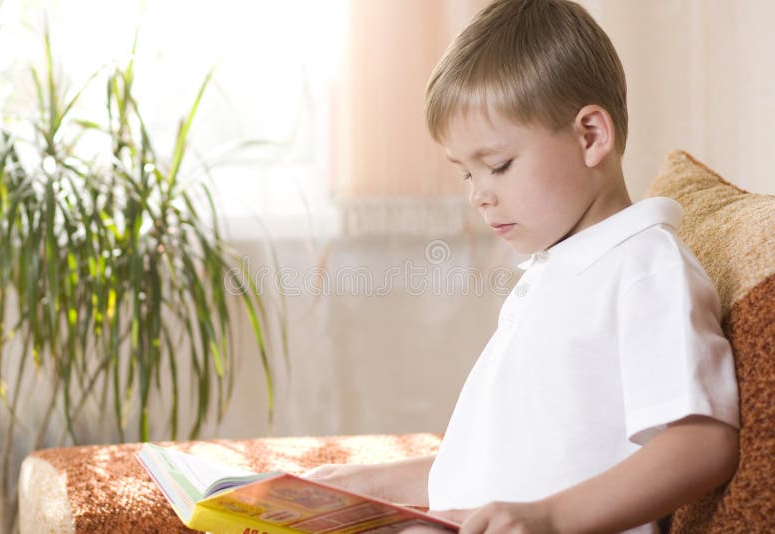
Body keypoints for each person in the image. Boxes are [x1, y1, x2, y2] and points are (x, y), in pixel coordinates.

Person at [304, 1, 740, 532]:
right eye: (467, 175)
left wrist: (550, 518)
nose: (478, 197)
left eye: (498, 166)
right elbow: (508, 464)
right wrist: (369, 485)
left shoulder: (644, 268)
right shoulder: (555, 270)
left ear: (590, 137)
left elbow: (705, 442)